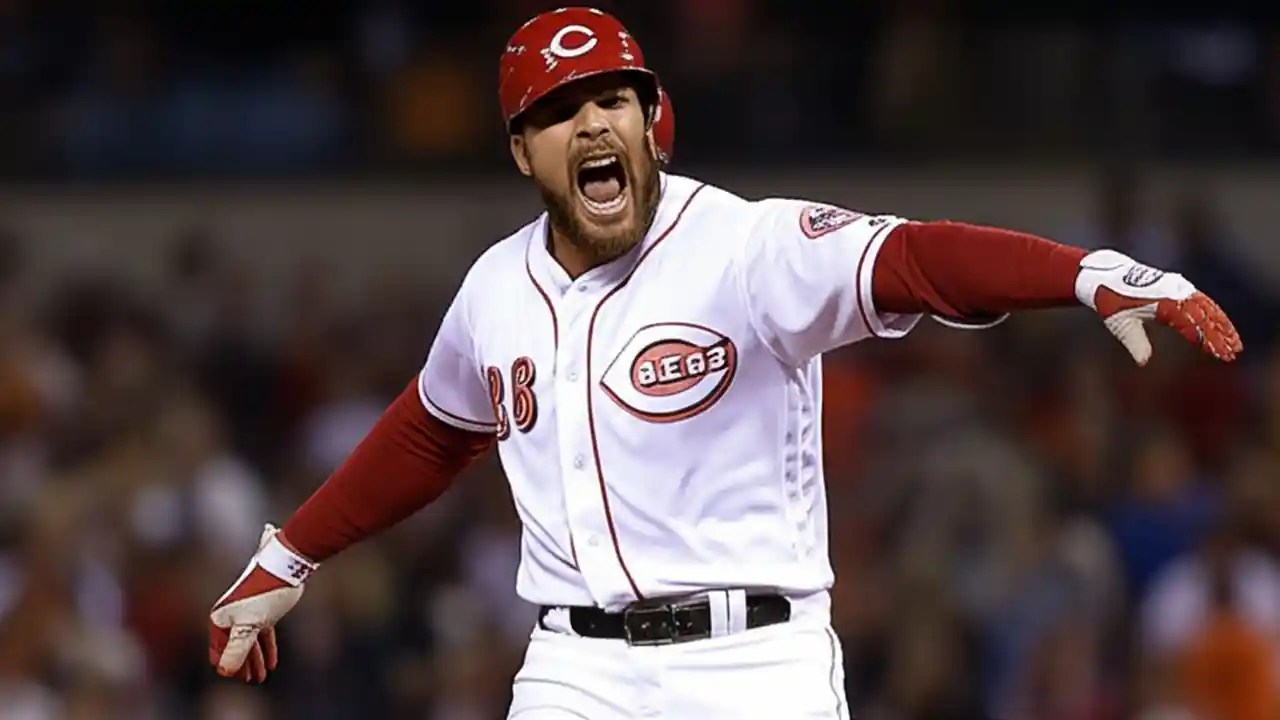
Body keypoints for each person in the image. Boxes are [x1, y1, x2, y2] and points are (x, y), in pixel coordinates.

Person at [207, 8, 1242, 718]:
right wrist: (291, 555)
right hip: (577, 669)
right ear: (522, 152)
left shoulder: (745, 247)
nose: (592, 122)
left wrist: (1079, 272)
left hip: (751, 663)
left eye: (612, 99)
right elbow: (437, 427)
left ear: (649, 119)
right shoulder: (493, 287)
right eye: (560, 111)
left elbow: (910, 259)